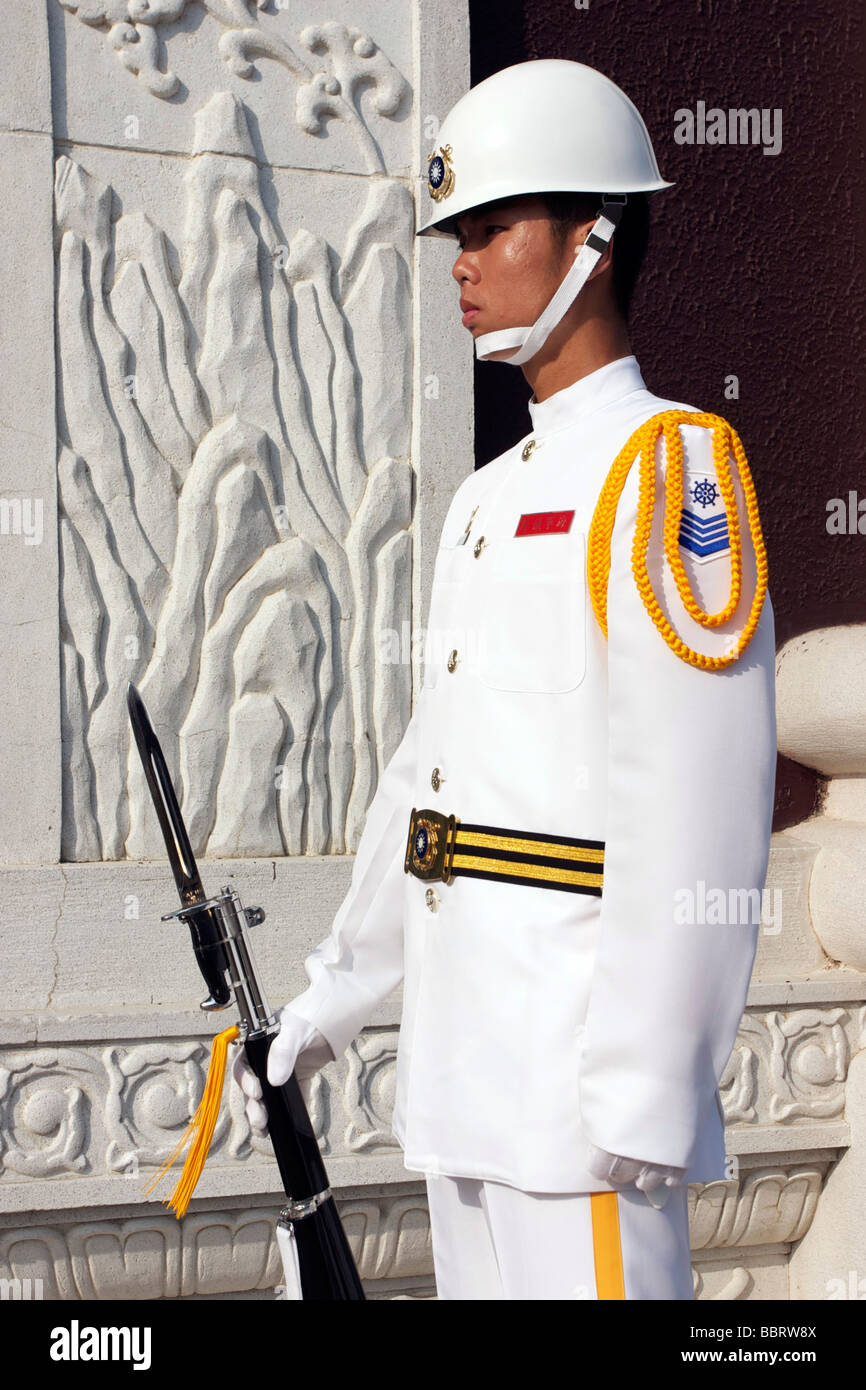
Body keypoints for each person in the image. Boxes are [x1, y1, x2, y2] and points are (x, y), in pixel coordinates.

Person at [233, 59, 777, 1300]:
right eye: (453, 236)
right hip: (467, 1075)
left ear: (595, 234)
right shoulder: (486, 501)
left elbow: (699, 800)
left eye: (489, 227)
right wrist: (333, 997)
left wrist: (646, 1088)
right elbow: (430, 782)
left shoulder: (670, 470)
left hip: (580, 1098)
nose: (461, 264)